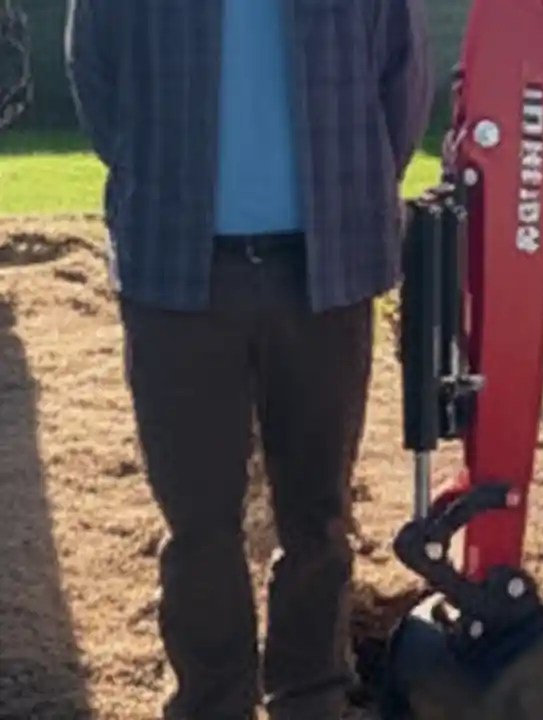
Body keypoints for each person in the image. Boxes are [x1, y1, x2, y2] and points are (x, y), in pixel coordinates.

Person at [65, 0, 432, 717]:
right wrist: (161, 182)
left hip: (323, 276)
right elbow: (96, 76)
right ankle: (211, 699)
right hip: (179, 277)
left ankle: (310, 694)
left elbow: (401, 80)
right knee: (199, 521)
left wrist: (346, 197)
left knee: (318, 514)